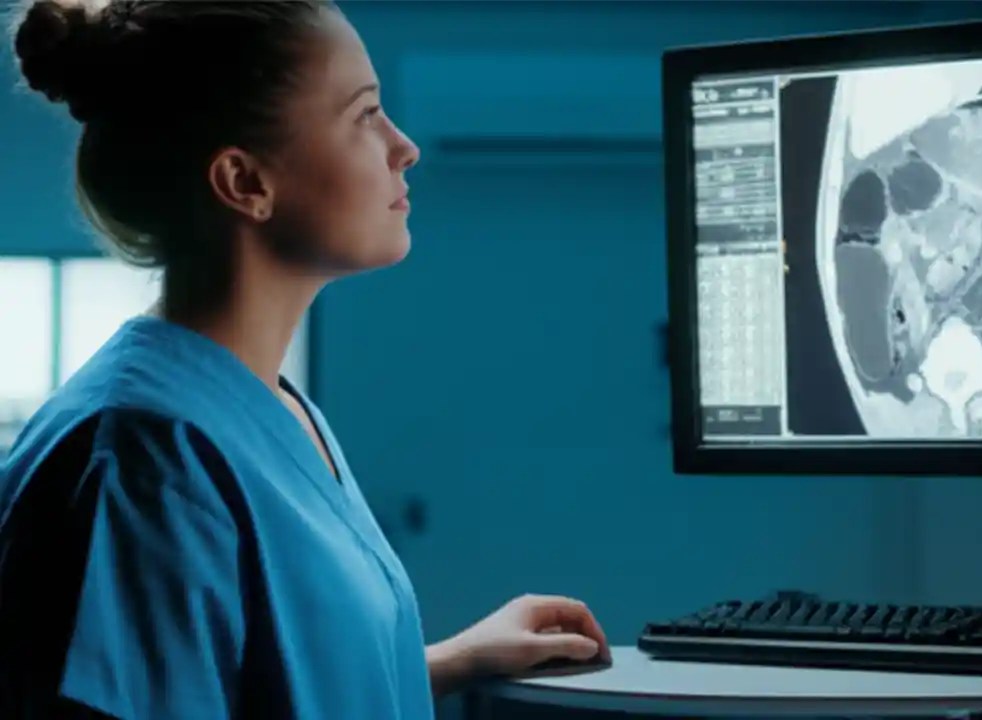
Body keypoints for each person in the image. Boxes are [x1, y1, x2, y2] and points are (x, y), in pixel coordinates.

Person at [0, 1, 610, 718]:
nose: (404, 145)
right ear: (245, 183)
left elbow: (255, 674)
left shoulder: (266, 407)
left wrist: (449, 661)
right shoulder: (148, 456)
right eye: (365, 114)